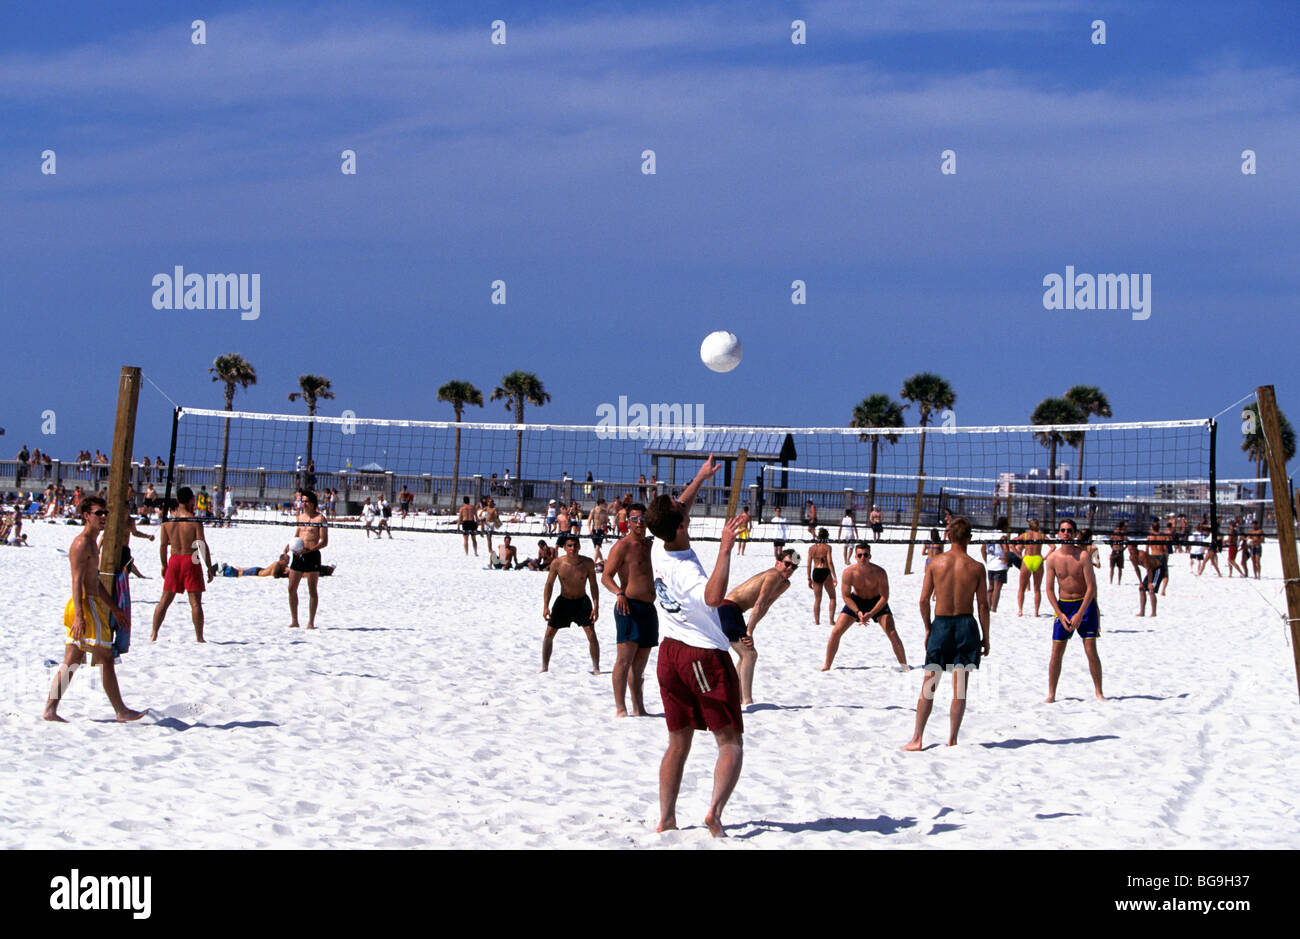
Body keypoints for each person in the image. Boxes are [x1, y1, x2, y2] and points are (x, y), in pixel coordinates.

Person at [644, 455, 748, 837]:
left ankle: (666, 818)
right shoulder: (685, 569)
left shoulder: (659, 543)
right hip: (702, 655)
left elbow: (676, 510)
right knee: (730, 743)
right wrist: (725, 547)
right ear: (682, 524)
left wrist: (701, 477)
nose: (683, 503)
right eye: (680, 507)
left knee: (677, 743)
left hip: (669, 655)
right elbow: (713, 596)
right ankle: (714, 814)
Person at [43, 496, 144, 723]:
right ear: (86, 516)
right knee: (105, 657)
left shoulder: (92, 543)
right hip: (85, 606)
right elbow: (77, 582)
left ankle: (50, 709)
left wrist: (115, 609)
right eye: (99, 513)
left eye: (105, 513)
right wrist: (79, 617)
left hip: (92, 603)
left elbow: (95, 582)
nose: (103, 517)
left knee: (73, 659)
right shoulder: (81, 544)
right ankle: (120, 710)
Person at [902, 517, 989, 750]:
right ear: (970, 538)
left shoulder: (935, 563)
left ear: (949, 537)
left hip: (941, 624)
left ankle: (917, 738)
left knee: (929, 685)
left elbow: (923, 601)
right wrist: (986, 637)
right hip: (966, 625)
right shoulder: (977, 567)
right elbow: (983, 606)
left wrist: (928, 628)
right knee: (959, 687)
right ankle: (952, 738)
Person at [717, 548, 799, 706]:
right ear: (778, 563)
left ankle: (735, 696)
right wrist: (749, 631)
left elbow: (765, 607)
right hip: (727, 608)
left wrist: (749, 628)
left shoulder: (785, 584)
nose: (790, 568)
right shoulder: (774, 575)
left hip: (735, 612)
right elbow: (759, 603)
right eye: (787, 564)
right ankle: (747, 701)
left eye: (794, 566)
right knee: (749, 654)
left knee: (746, 655)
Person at [601, 503, 658, 717]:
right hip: (629, 606)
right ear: (628, 522)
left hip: (649, 608)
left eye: (643, 518)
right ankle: (620, 707)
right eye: (635, 519)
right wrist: (619, 593)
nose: (640, 522)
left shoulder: (651, 545)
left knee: (640, 666)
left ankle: (638, 707)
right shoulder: (622, 546)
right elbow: (606, 576)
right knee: (624, 661)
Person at [1044, 518, 1104, 702]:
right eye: (1063, 530)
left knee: (1090, 649)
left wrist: (1080, 613)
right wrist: (1060, 614)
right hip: (1064, 606)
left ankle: (1099, 692)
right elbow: (1049, 589)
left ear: (1075, 533)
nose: (1066, 533)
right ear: (1058, 533)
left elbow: (1091, 588)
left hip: (1084, 605)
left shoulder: (1083, 556)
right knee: (1056, 651)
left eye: (1069, 530)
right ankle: (1052, 694)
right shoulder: (1053, 558)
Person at [823, 541, 908, 670]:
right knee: (836, 632)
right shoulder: (849, 572)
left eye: (865, 555)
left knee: (892, 632)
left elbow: (885, 597)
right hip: (856, 601)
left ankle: (905, 666)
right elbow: (846, 596)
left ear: (870, 556)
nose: (863, 558)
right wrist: (858, 612)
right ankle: (827, 665)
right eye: (860, 555)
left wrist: (872, 613)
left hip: (876, 601)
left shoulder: (879, 572)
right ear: (855, 557)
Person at [151, 487, 214, 642]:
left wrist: (164, 565)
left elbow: (162, 545)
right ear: (192, 500)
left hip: (174, 559)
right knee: (195, 603)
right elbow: (202, 545)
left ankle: (154, 633)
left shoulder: (167, 521)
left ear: (177, 500)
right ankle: (199, 637)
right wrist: (209, 567)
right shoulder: (194, 520)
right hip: (191, 559)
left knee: (164, 600)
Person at [542, 535, 600, 674]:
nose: (572, 548)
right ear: (564, 547)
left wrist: (596, 606)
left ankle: (596, 667)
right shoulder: (557, 563)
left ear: (579, 546)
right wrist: (545, 606)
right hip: (564, 601)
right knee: (549, 633)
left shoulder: (587, 563)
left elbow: (593, 585)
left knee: (591, 635)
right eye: (569, 546)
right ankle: (544, 667)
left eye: (575, 545)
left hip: (582, 601)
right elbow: (549, 584)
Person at [288, 490, 328, 629]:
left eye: (306, 501)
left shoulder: (320, 519)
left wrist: (309, 549)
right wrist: (289, 546)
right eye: (302, 501)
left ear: (313, 503)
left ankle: (311, 622)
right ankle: (294, 620)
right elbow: (297, 534)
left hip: (312, 555)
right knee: (291, 588)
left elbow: (324, 541)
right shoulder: (300, 517)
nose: (304, 504)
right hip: (298, 554)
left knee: (312, 590)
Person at [1015, 520, 1048, 617]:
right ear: (1038, 526)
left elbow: (1012, 544)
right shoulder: (1041, 536)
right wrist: (1045, 557)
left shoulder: (1025, 535)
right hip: (1038, 558)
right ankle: (1036, 612)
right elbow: (1053, 547)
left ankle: (1020, 610)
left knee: (1021, 588)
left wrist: (1018, 555)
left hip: (1027, 559)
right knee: (1037, 588)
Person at [806, 528, 837, 625]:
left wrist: (809, 578)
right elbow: (830, 562)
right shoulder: (827, 547)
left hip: (816, 572)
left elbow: (809, 565)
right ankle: (831, 621)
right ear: (827, 537)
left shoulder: (811, 548)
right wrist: (834, 576)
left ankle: (817, 622)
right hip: (825, 571)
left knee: (817, 599)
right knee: (832, 597)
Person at [981, 517, 1010, 612]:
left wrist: (986, 560)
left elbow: (982, 549)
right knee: (997, 588)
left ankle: (988, 607)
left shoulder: (989, 534)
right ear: (1004, 526)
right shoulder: (1002, 536)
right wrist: (1006, 560)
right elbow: (1006, 550)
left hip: (991, 564)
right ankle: (993, 608)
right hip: (999, 565)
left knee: (990, 587)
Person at [1128, 540, 1162, 617]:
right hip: (1150, 571)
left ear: (1135, 548)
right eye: (1128, 549)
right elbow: (1137, 569)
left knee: (1151, 589)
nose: (1130, 551)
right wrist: (1140, 582)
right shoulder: (1131, 557)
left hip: (1158, 569)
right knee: (1141, 589)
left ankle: (1154, 613)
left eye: (1131, 549)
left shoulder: (1142, 555)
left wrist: (1150, 583)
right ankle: (1142, 612)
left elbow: (1149, 569)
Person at [588, 498, 610, 566]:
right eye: (604, 504)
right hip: (594, 530)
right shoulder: (593, 511)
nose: (605, 505)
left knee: (597, 547)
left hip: (601, 531)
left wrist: (605, 525)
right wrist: (589, 530)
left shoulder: (605, 512)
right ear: (600, 504)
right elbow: (589, 521)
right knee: (596, 548)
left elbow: (606, 521)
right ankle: (602, 561)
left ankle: (594, 562)